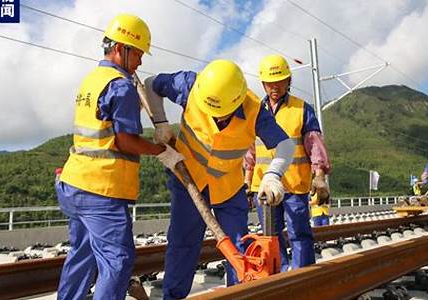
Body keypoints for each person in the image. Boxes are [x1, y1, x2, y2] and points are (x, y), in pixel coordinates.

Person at [143, 59, 295, 299]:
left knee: (238, 247)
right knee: (182, 243)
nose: (216, 119)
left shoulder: (254, 109)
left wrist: (273, 175)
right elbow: (151, 84)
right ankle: (173, 297)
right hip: (188, 180)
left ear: (237, 102)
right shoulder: (191, 84)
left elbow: (286, 145)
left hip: (228, 185)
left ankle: (237, 294)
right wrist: (161, 122)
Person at [55, 14, 183, 300]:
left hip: (74, 182)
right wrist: (161, 151)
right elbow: (125, 141)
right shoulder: (121, 86)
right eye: (137, 54)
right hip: (102, 189)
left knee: (82, 255)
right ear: (120, 49)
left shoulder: (92, 79)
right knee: (118, 260)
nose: (139, 62)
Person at [243, 54, 331, 272]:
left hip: (294, 185)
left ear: (288, 81)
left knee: (299, 233)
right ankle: (280, 278)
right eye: (270, 82)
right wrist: (246, 181)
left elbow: (314, 144)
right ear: (263, 83)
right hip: (263, 186)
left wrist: (319, 176)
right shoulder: (255, 110)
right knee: (270, 236)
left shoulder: (302, 109)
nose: (274, 87)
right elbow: (250, 150)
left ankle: (303, 277)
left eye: (279, 81)